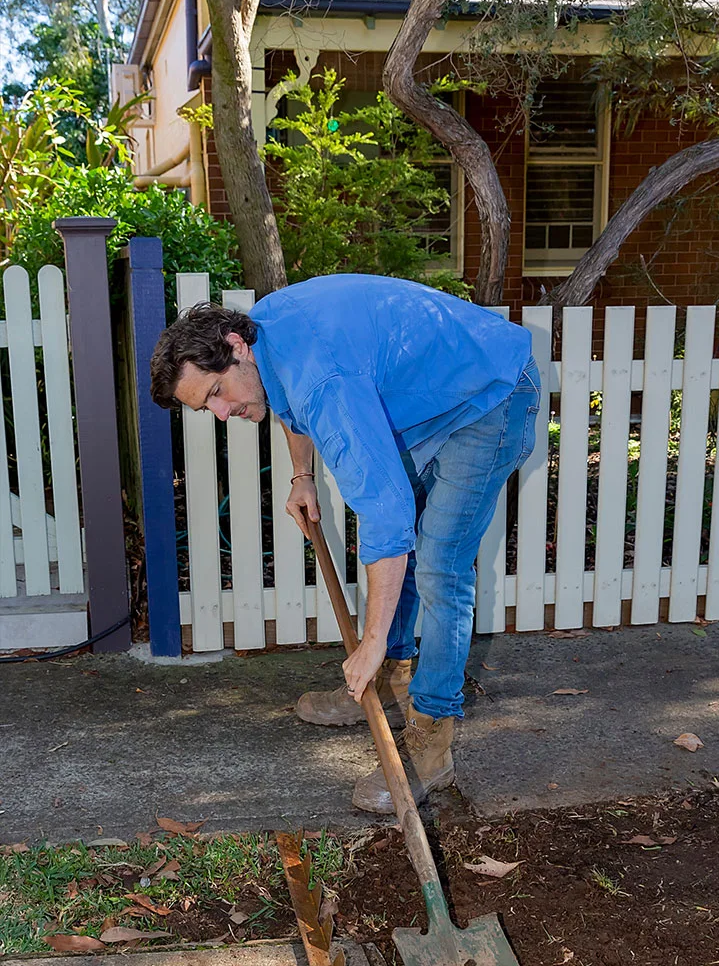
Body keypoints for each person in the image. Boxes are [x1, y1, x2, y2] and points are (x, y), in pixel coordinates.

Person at [150, 274, 539, 813]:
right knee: (402, 555)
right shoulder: (267, 340)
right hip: (429, 404)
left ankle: (433, 738)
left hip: (491, 396)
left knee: (438, 565)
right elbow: (283, 400)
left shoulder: (323, 378)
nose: (221, 413)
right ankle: (388, 682)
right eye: (205, 408)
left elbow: (385, 514)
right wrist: (301, 475)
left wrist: (371, 636)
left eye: (216, 392)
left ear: (235, 347)